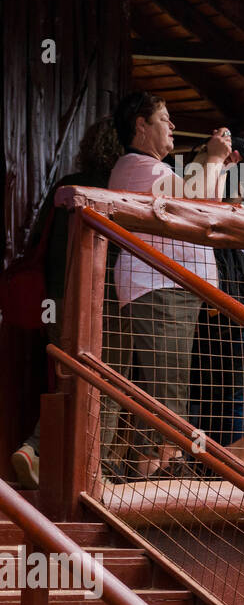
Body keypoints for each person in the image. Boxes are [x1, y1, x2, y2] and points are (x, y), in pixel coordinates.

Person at [105, 91, 238, 479]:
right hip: (159, 287)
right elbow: (201, 207)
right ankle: (164, 470)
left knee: (162, 380)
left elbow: (199, 197)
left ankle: (150, 471)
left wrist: (216, 163)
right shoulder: (136, 166)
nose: (174, 126)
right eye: (165, 119)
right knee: (168, 383)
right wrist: (212, 158)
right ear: (140, 126)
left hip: (166, 288)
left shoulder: (150, 170)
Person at [9, 116, 122, 488]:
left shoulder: (65, 184)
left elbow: (40, 239)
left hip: (55, 298)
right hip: (96, 300)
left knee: (67, 380)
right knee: (104, 382)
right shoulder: (114, 187)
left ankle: (34, 451)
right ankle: (92, 473)